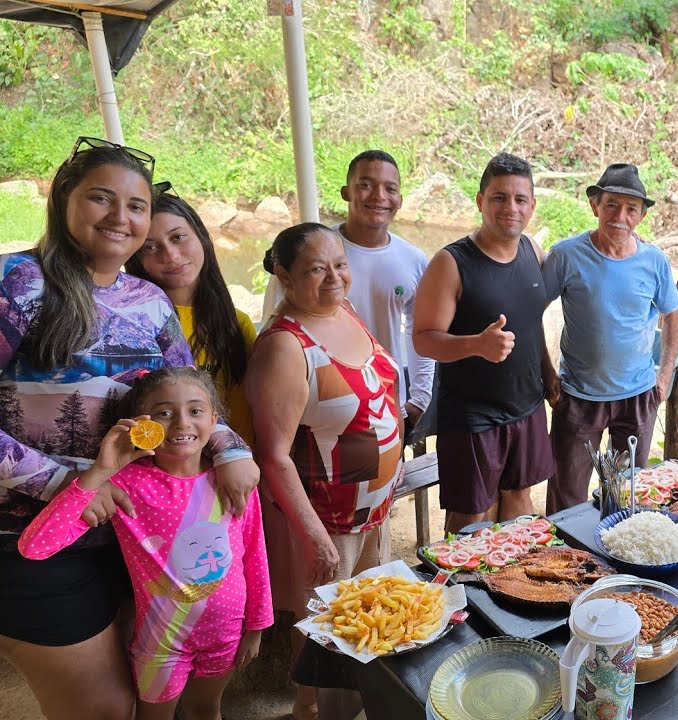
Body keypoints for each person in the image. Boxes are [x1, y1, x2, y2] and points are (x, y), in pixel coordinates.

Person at [0, 138, 257, 720]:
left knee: (149, 689)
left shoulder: (148, 301)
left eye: (136, 205)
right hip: (32, 539)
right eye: (101, 198)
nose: (121, 217)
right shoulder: (16, 284)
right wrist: (66, 485)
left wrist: (230, 445)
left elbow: (186, 394)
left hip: (136, 534)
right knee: (104, 709)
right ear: (64, 200)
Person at [18, 367, 271, 720]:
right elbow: (36, 546)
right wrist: (99, 473)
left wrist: (257, 627)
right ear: (140, 424)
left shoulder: (233, 481)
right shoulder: (127, 484)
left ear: (215, 421)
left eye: (195, 411)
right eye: (164, 413)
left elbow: (254, 553)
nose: (182, 423)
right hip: (161, 643)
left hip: (226, 634)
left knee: (206, 711)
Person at [245, 223, 404, 720]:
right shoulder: (284, 347)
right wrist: (316, 537)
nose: (334, 277)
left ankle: (344, 699)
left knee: (362, 611)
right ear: (285, 276)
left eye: (339, 264)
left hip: (371, 509)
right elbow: (273, 455)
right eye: (317, 269)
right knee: (320, 621)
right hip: (326, 518)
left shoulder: (344, 311)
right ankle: (308, 707)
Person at [413, 152, 555, 533]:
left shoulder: (533, 252)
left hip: (526, 405)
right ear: (481, 202)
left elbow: (531, 322)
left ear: (532, 206)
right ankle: (463, 591)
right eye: (499, 197)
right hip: (472, 415)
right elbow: (424, 339)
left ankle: (512, 587)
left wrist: (548, 372)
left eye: (520, 199)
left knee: (520, 503)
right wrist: (476, 344)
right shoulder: (451, 263)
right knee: (472, 519)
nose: (511, 207)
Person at [261, 151, 434, 441]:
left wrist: (420, 396)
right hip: (321, 411)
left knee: (386, 481)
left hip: (387, 406)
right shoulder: (309, 253)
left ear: (400, 199)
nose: (379, 196)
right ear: (346, 192)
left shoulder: (413, 259)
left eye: (390, 188)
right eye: (366, 185)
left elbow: (420, 332)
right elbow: (273, 327)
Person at [541, 163, 678, 514]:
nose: (620, 216)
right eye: (612, 205)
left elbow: (674, 313)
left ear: (641, 215)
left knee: (627, 495)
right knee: (567, 496)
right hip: (577, 397)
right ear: (595, 207)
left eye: (631, 208)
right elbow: (530, 312)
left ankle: (616, 565)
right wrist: (546, 374)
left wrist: (664, 375)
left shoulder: (654, 261)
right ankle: (567, 562)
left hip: (636, 399)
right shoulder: (566, 255)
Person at [127, 192, 258, 444]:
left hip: (239, 465)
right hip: (172, 472)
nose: (171, 255)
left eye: (178, 237)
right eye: (149, 247)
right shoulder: (137, 325)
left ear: (201, 236)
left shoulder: (236, 323)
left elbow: (248, 409)